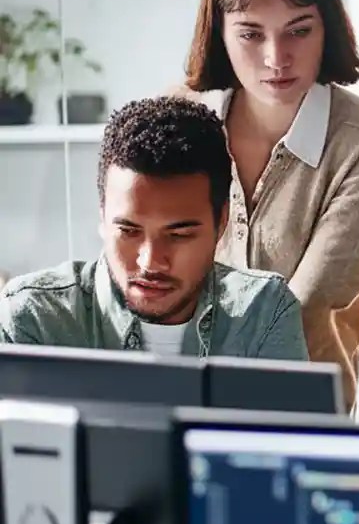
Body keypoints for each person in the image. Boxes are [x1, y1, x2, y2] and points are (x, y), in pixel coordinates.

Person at [181, 0, 359, 405]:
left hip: (300, 407)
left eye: (298, 31)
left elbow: (302, 310)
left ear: (327, 30)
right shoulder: (182, 121)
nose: (275, 58)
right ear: (218, 34)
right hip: (181, 398)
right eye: (250, 33)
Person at [0, 97, 306, 359]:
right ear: (103, 216)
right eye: (129, 231)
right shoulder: (34, 317)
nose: (150, 261)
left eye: (178, 235)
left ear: (221, 222)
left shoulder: (262, 313)